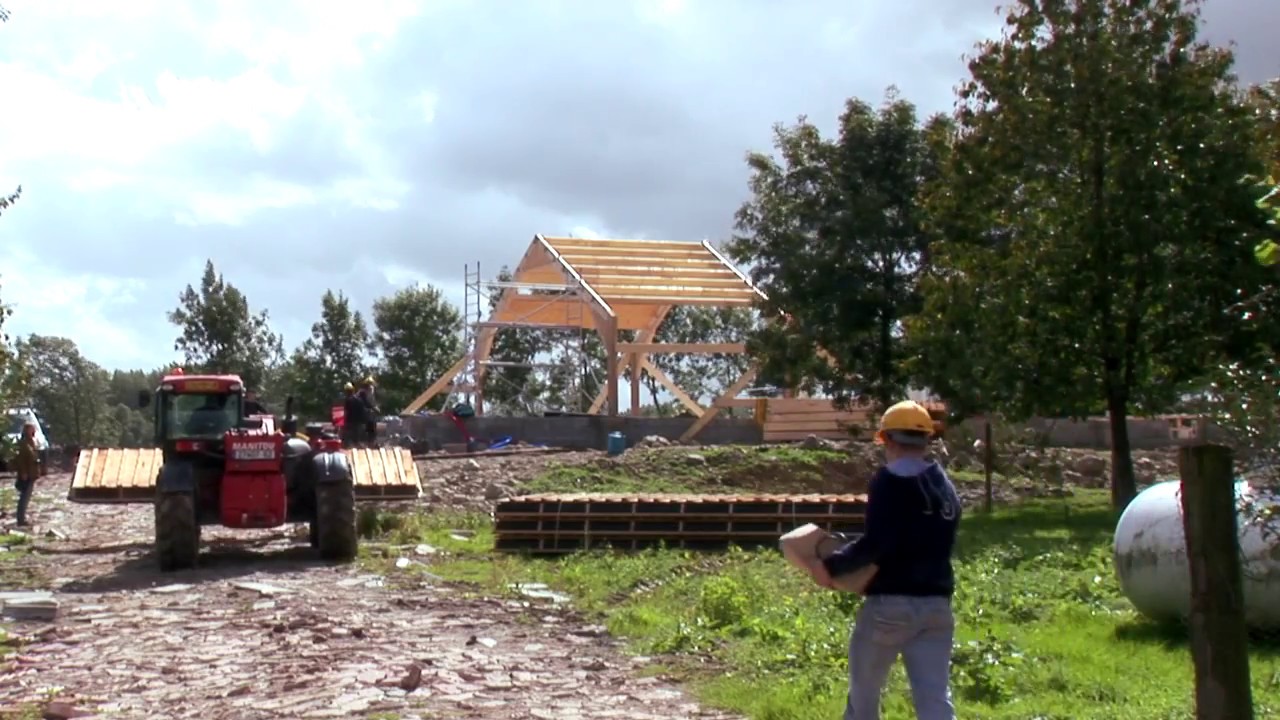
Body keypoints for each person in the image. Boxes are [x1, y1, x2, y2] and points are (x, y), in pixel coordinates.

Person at [811, 400, 962, 720]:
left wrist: (831, 566)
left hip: (890, 606)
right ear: (925, 440)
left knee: (864, 694)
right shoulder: (943, 485)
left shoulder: (890, 481)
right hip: (937, 606)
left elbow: (878, 542)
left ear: (889, 440)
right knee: (935, 698)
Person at [13, 420, 41, 526]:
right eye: (31, 429)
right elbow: (21, 460)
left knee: (27, 497)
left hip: (31, 473)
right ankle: (21, 519)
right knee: (24, 497)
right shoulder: (23, 443)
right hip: (26, 474)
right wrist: (23, 472)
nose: (34, 431)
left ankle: (22, 517)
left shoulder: (31, 442)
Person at [356, 376, 379, 447]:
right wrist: (375, 408)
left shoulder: (364, 392)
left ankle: (371, 442)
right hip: (365, 414)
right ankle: (369, 443)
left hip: (367, 414)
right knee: (369, 429)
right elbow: (368, 402)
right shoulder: (363, 393)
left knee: (371, 429)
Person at [341, 381, 365, 449]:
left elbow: (346, 412)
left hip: (350, 422)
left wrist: (343, 422)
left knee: (347, 438)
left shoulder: (348, 400)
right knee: (357, 438)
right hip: (358, 422)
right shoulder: (359, 399)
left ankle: (348, 448)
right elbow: (362, 411)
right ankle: (358, 448)